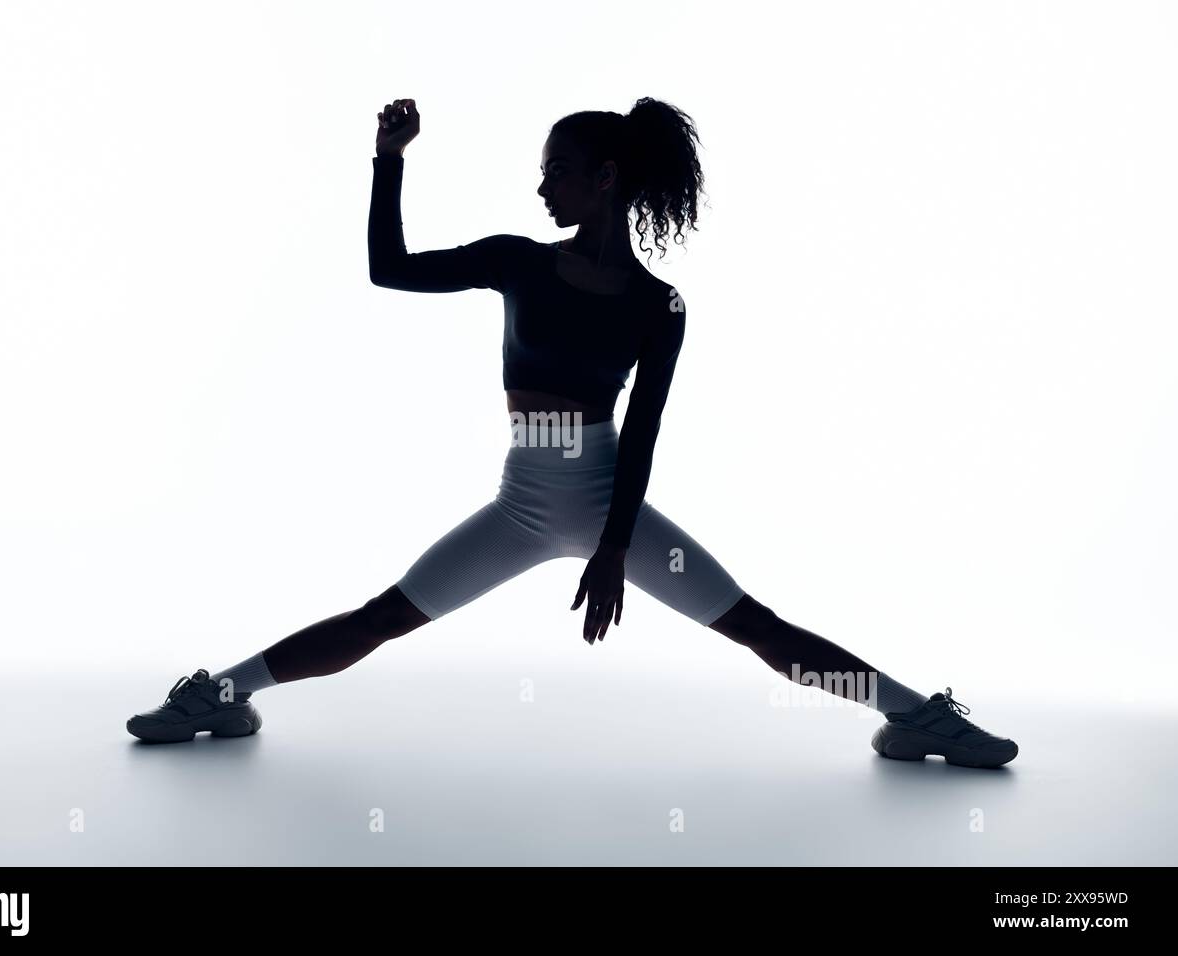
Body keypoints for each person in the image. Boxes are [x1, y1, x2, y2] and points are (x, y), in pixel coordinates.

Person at [127, 97, 1018, 769]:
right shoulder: (516, 261)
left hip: (608, 508)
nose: (541, 184)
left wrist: (613, 548)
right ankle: (222, 694)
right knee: (384, 617)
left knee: (759, 628)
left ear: (605, 180)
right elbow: (388, 270)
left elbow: (642, 437)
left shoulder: (658, 305)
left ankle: (915, 716)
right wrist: (387, 160)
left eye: (556, 168)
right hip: (521, 506)